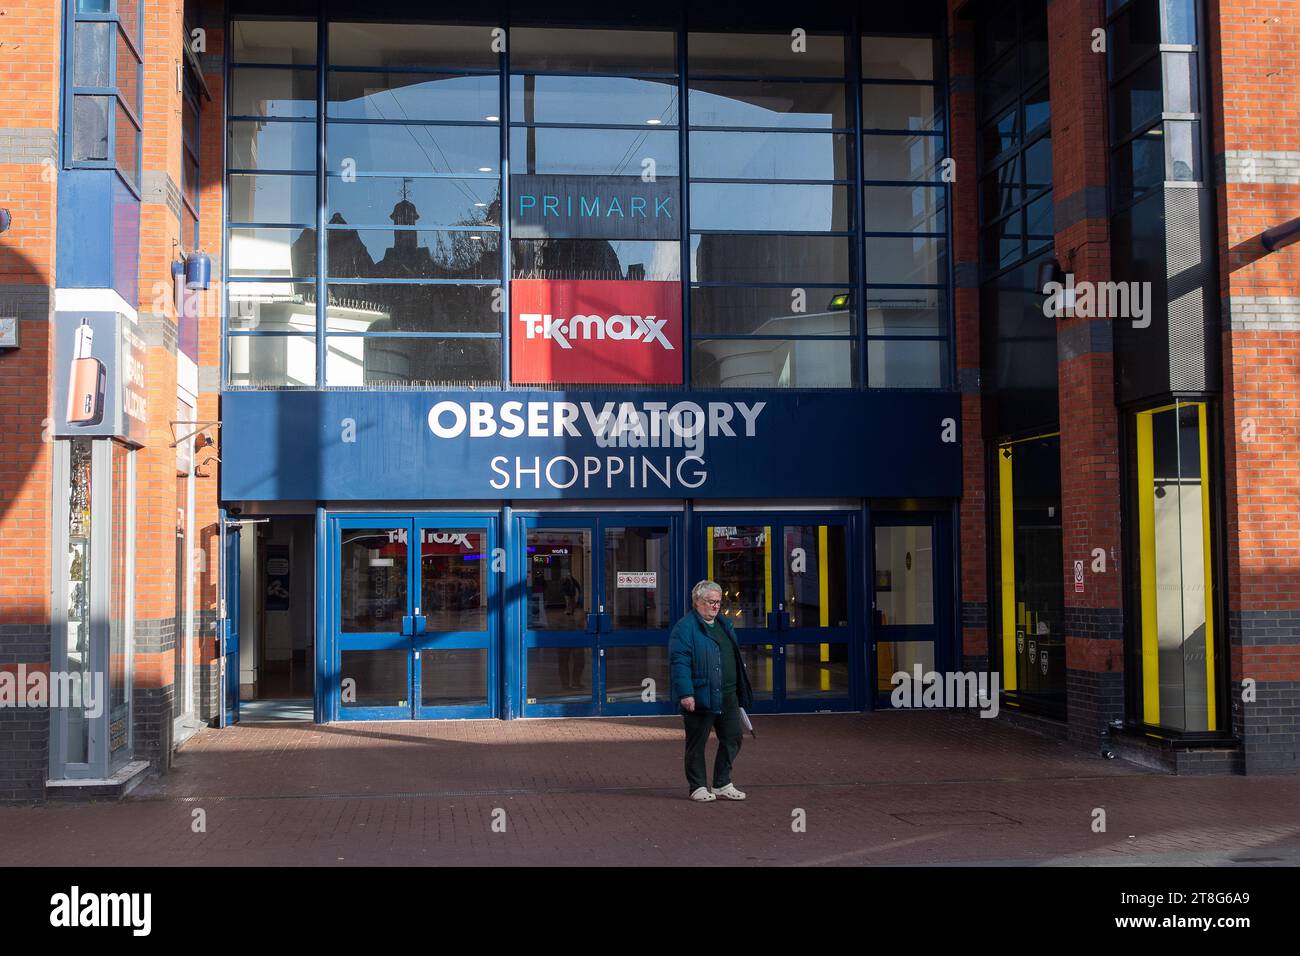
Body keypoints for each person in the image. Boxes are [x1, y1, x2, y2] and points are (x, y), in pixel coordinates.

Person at [669, 580, 754, 802]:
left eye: (718, 601)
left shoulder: (725, 624)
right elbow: (680, 662)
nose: (716, 606)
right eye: (711, 602)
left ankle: (722, 782)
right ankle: (697, 786)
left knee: (734, 737)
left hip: (728, 695)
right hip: (700, 695)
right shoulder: (685, 628)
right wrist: (686, 694)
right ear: (698, 602)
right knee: (697, 742)